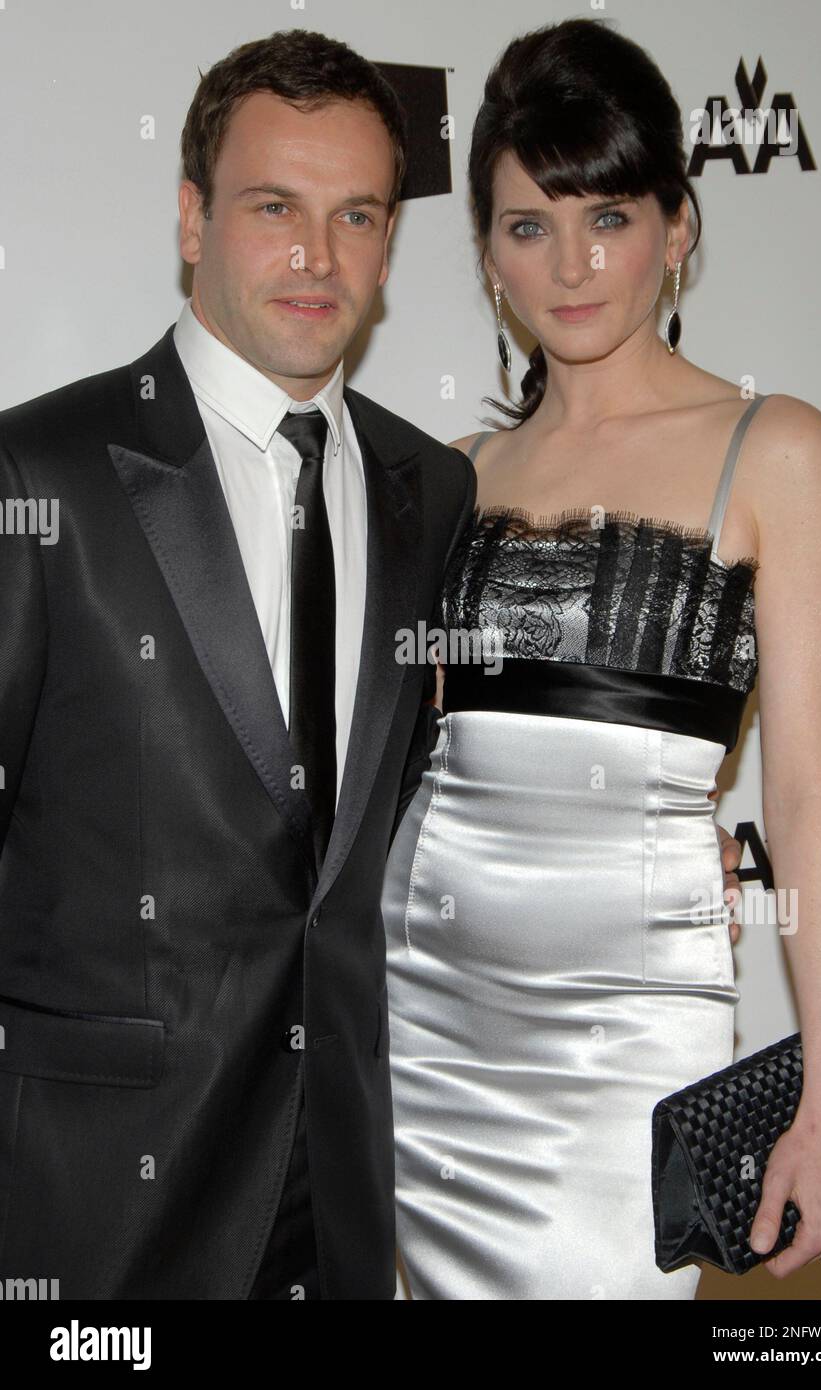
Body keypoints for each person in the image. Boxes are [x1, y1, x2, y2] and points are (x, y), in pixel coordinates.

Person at [381, 17, 821, 1300]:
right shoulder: (456, 476)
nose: (571, 265)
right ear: (486, 253)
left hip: (629, 1019)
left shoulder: (778, 451)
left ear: (678, 224)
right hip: (426, 1015)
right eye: (527, 225)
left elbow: (809, 804)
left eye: (607, 216)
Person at [0, 27, 481, 1300]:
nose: (318, 257)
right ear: (191, 215)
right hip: (99, 1203)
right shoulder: (39, 473)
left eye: (357, 215)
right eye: (276, 208)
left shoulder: (432, 489)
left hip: (341, 1199)